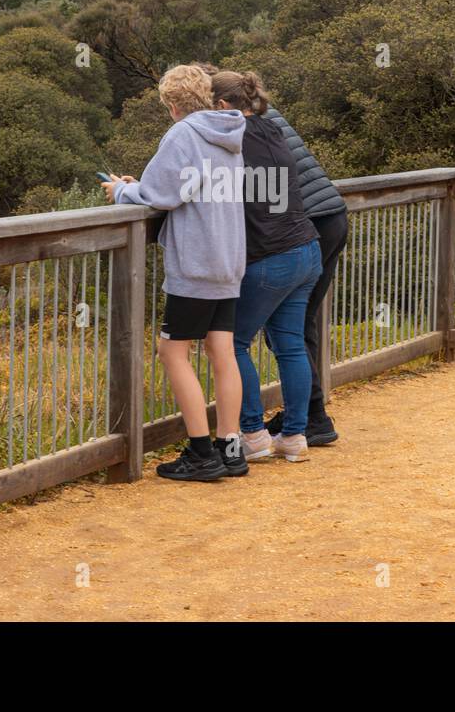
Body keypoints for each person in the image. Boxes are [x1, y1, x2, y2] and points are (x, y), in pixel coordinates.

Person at [102, 64, 248, 481]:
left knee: (173, 352)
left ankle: (202, 453)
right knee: (222, 352)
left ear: (171, 104)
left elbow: (161, 195)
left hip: (197, 263)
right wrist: (142, 184)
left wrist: (122, 192)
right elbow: (185, 185)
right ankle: (231, 448)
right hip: (228, 259)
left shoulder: (183, 133)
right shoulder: (230, 131)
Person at [209, 70, 322, 463]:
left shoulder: (232, 138)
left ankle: (254, 433)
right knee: (290, 344)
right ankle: (294, 437)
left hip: (270, 256)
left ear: (222, 106)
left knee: (232, 342)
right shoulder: (273, 127)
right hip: (306, 249)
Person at [261, 106, 347, 445]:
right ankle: (309, 414)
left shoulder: (235, 123)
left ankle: (310, 415)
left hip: (305, 225)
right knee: (299, 323)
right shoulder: (261, 111)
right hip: (332, 215)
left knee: (285, 328)